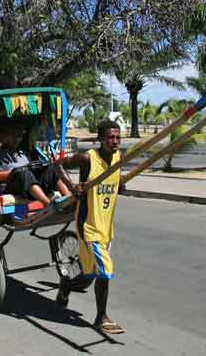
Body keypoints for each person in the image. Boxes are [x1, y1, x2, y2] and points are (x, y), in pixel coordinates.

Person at [56, 119, 125, 335]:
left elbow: (118, 184)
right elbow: (58, 164)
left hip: (107, 227)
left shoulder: (119, 157)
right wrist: (72, 187)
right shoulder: (87, 158)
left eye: (117, 137)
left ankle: (66, 285)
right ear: (100, 139)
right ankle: (101, 317)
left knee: (87, 276)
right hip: (88, 225)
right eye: (110, 137)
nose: (115, 141)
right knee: (105, 269)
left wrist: (121, 184)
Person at [0, 120, 70, 207]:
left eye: (19, 136)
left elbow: (31, 170)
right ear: (3, 137)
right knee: (23, 172)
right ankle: (48, 205)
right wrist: (15, 172)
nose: (16, 139)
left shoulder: (23, 152)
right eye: (13, 135)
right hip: (11, 187)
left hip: (31, 185)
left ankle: (68, 198)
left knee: (51, 169)